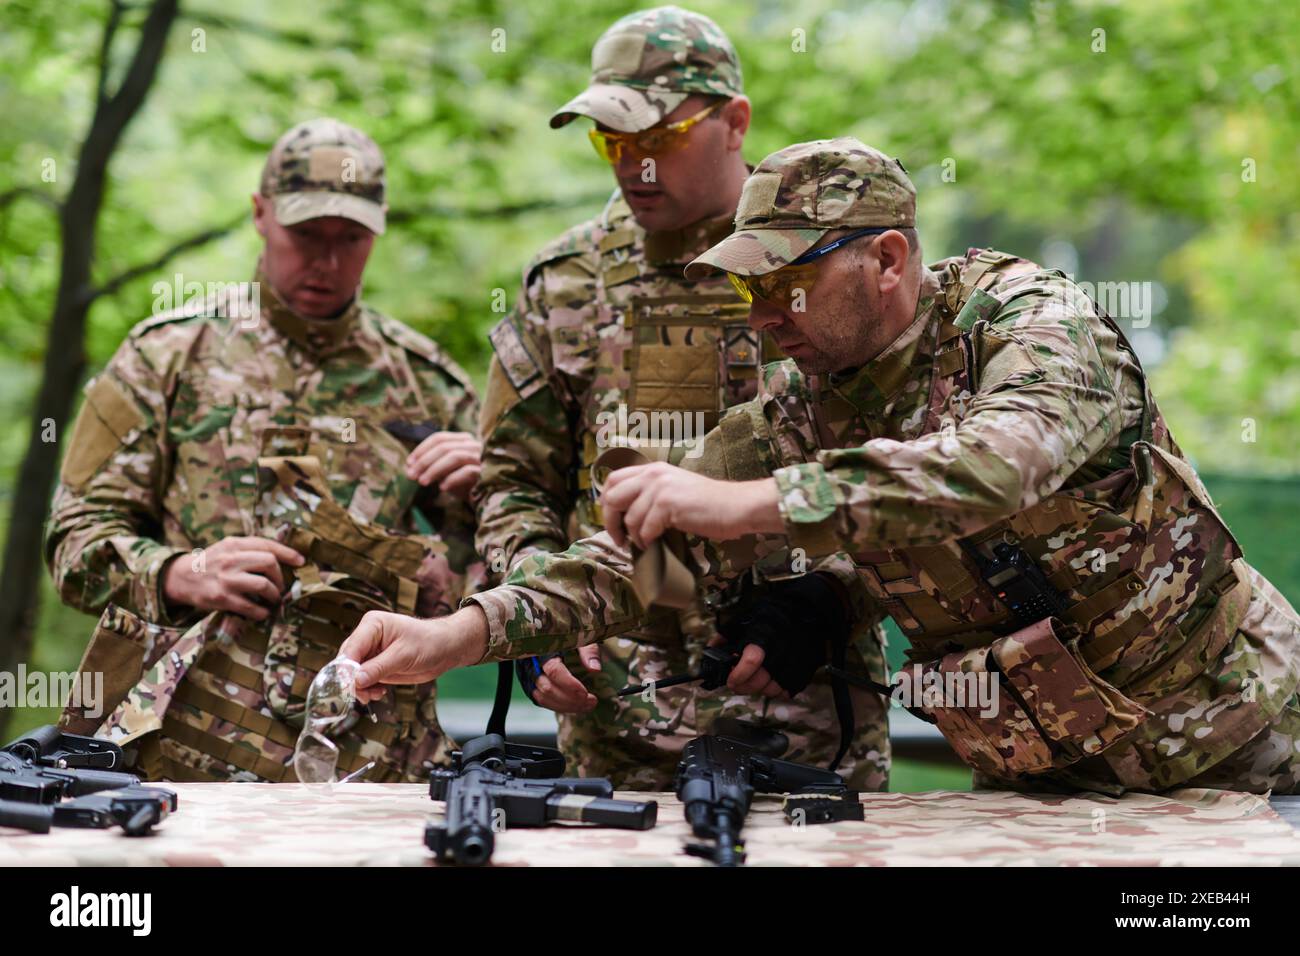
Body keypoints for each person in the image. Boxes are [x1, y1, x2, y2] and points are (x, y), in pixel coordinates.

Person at [340, 137, 1300, 796]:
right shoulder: (798, 410)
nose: (762, 317)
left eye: (787, 283)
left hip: (1238, 739)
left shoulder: (1030, 327)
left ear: (887, 260)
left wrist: (751, 504)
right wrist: (463, 635)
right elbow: (640, 566)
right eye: (750, 287)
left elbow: (988, 467)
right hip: (1043, 773)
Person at [437, 6, 889, 789]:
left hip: (805, 718)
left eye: (657, 140)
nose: (630, 166)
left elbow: (912, 462)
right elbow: (512, 481)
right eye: (611, 141)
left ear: (735, 122)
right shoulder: (565, 280)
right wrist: (539, 607)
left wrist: (835, 595)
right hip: (614, 720)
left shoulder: (828, 258)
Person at [45, 118, 485, 783]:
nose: (327, 262)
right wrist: (177, 572)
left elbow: (507, 569)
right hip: (179, 752)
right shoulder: (166, 357)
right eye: (305, 235)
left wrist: (486, 496)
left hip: (371, 759)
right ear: (260, 214)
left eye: (352, 239)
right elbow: (71, 543)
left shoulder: (426, 384)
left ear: (379, 230)